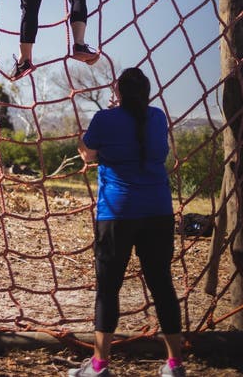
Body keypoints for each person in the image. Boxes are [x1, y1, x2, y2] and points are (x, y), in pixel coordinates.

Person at [69, 67, 185, 377]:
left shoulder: (105, 119)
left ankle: (99, 365)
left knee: (108, 289)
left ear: (118, 93)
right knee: (162, 285)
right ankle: (174, 364)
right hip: (158, 211)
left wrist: (105, 120)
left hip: (117, 214)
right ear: (147, 94)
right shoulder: (158, 117)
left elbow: (88, 155)